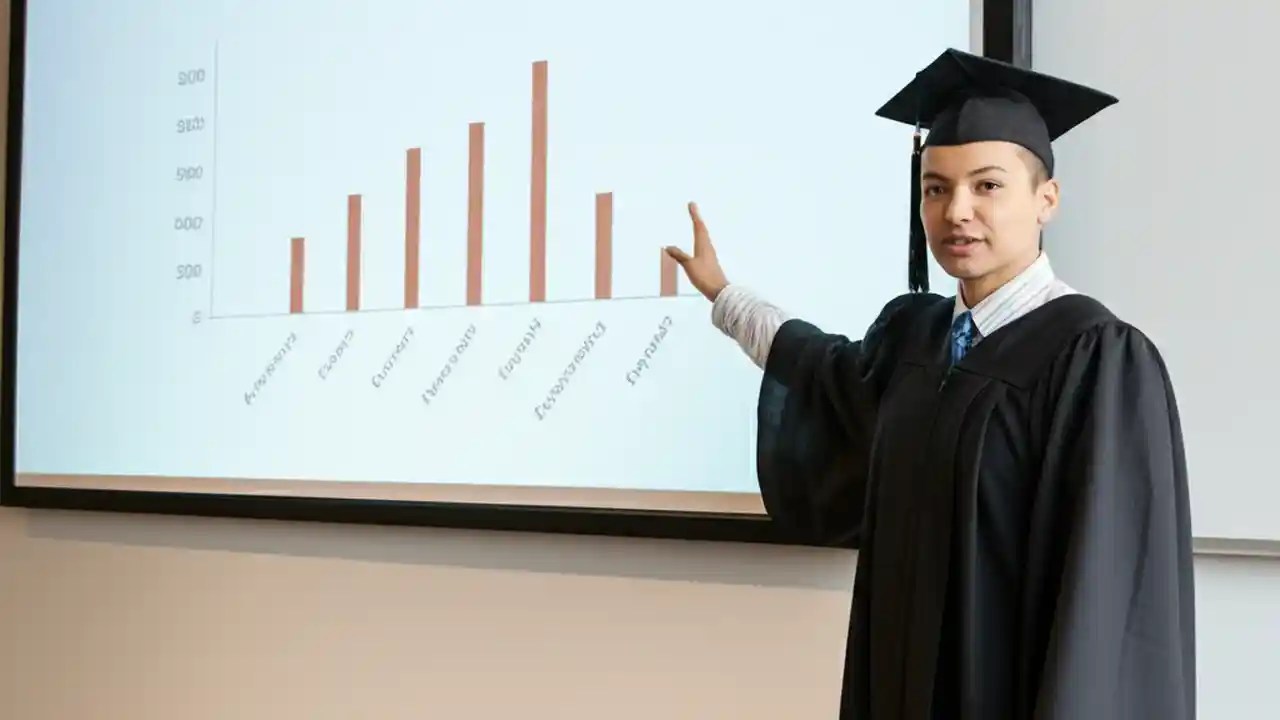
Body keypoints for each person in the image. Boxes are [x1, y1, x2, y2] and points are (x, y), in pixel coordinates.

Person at [665, 49, 1196, 719]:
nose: (956, 211)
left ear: (1046, 200)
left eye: (987, 186)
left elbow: (1108, 601)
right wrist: (724, 294)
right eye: (936, 188)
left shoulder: (1095, 360)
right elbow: (822, 370)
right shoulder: (913, 342)